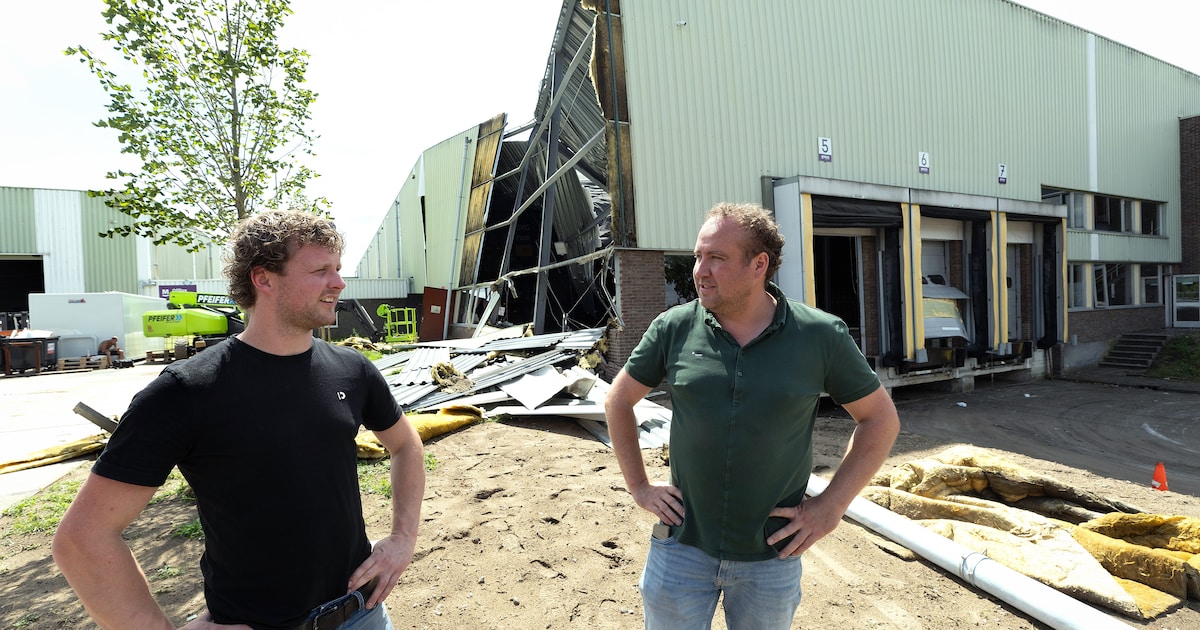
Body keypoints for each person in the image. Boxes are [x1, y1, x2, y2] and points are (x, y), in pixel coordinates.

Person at [53, 210, 425, 630]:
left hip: (362, 614)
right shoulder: (186, 391)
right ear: (263, 279)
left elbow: (406, 445)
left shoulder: (353, 369)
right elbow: (82, 538)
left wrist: (402, 539)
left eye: (337, 269)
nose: (338, 283)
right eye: (320, 270)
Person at [604, 202, 900, 630]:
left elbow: (880, 420)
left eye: (717, 258)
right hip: (683, 546)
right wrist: (640, 488)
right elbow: (618, 401)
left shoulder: (819, 335)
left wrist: (832, 506)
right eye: (698, 256)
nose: (700, 270)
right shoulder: (673, 328)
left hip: (771, 557)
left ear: (759, 264)